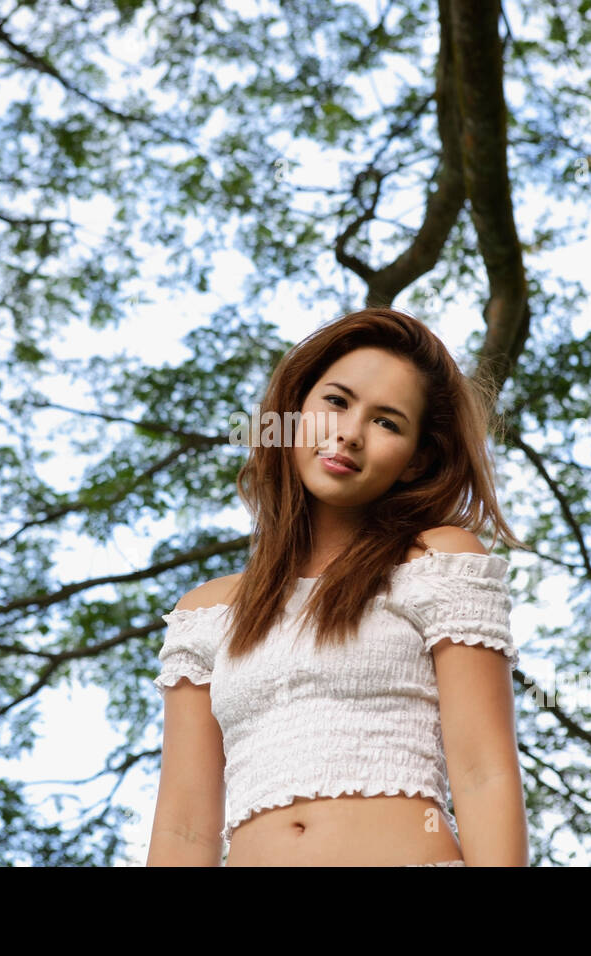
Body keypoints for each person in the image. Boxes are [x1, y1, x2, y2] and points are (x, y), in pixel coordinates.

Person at [146, 307, 533, 866]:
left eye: (388, 422)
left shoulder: (438, 561)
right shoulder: (206, 613)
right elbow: (183, 830)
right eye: (336, 402)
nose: (349, 434)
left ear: (414, 460)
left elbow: (483, 772)